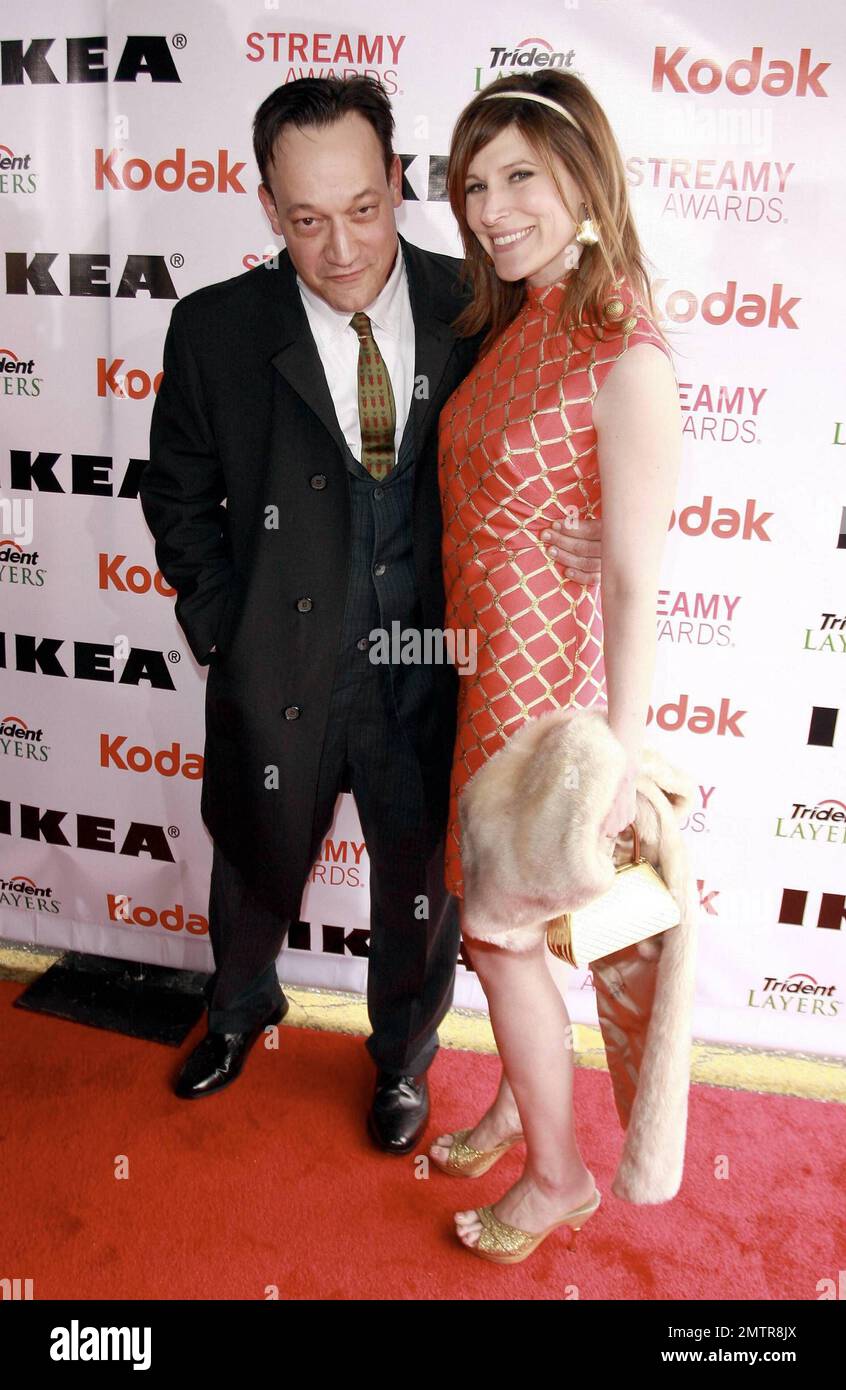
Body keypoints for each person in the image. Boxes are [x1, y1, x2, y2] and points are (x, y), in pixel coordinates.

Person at [139, 76, 602, 1153]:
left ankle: (402, 1058)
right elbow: (176, 496)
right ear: (266, 208)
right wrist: (226, 631)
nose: (339, 246)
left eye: (360, 207)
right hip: (278, 666)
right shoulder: (212, 331)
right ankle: (240, 1008)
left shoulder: (483, 304)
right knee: (252, 859)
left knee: (417, 892)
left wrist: (594, 529)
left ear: (398, 182)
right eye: (305, 219)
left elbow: (562, 439)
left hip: (430, 664)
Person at [429, 70, 682, 1261]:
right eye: (475, 185)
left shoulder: (624, 350)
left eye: (520, 174)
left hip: (538, 702)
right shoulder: (534, 314)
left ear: (585, 175)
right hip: (483, 670)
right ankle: (516, 1098)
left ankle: (559, 1177)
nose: (490, 206)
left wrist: (622, 759)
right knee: (498, 932)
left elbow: (635, 578)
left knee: (500, 932)